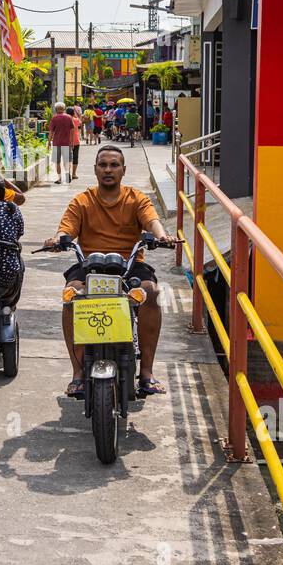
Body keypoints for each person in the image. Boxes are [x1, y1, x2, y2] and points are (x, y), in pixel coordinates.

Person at [42, 145, 175, 397]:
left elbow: (152, 221)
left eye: (114, 165)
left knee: (152, 293)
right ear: (95, 170)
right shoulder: (82, 200)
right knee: (71, 295)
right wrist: (59, 239)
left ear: (123, 170)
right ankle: (78, 373)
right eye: (103, 165)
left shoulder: (136, 199)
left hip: (130, 265)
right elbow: (66, 228)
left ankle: (146, 373)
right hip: (89, 265)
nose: (108, 170)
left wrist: (161, 236)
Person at [48, 101, 75, 183]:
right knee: (67, 161)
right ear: (64, 109)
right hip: (67, 143)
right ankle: (67, 175)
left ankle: (59, 179)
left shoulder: (54, 118)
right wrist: (72, 141)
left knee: (57, 162)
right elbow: (73, 129)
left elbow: (51, 131)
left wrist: (49, 142)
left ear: (56, 109)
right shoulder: (69, 117)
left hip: (57, 143)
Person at [70, 106, 82, 180]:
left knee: (67, 158)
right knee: (75, 157)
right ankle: (74, 174)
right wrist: (75, 115)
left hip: (66, 141)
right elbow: (80, 123)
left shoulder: (65, 120)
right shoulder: (76, 120)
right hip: (76, 141)